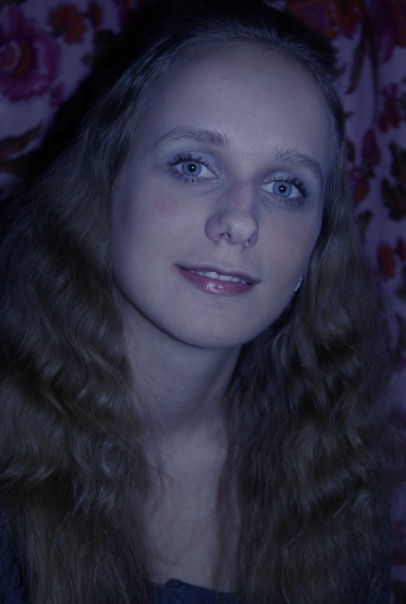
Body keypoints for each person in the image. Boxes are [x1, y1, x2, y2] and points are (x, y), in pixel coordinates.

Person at [0, 1, 396, 602]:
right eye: (192, 165)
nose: (241, 221)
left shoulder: (336, 474)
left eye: (285, 186)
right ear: (108, 184)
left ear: (317, 244)